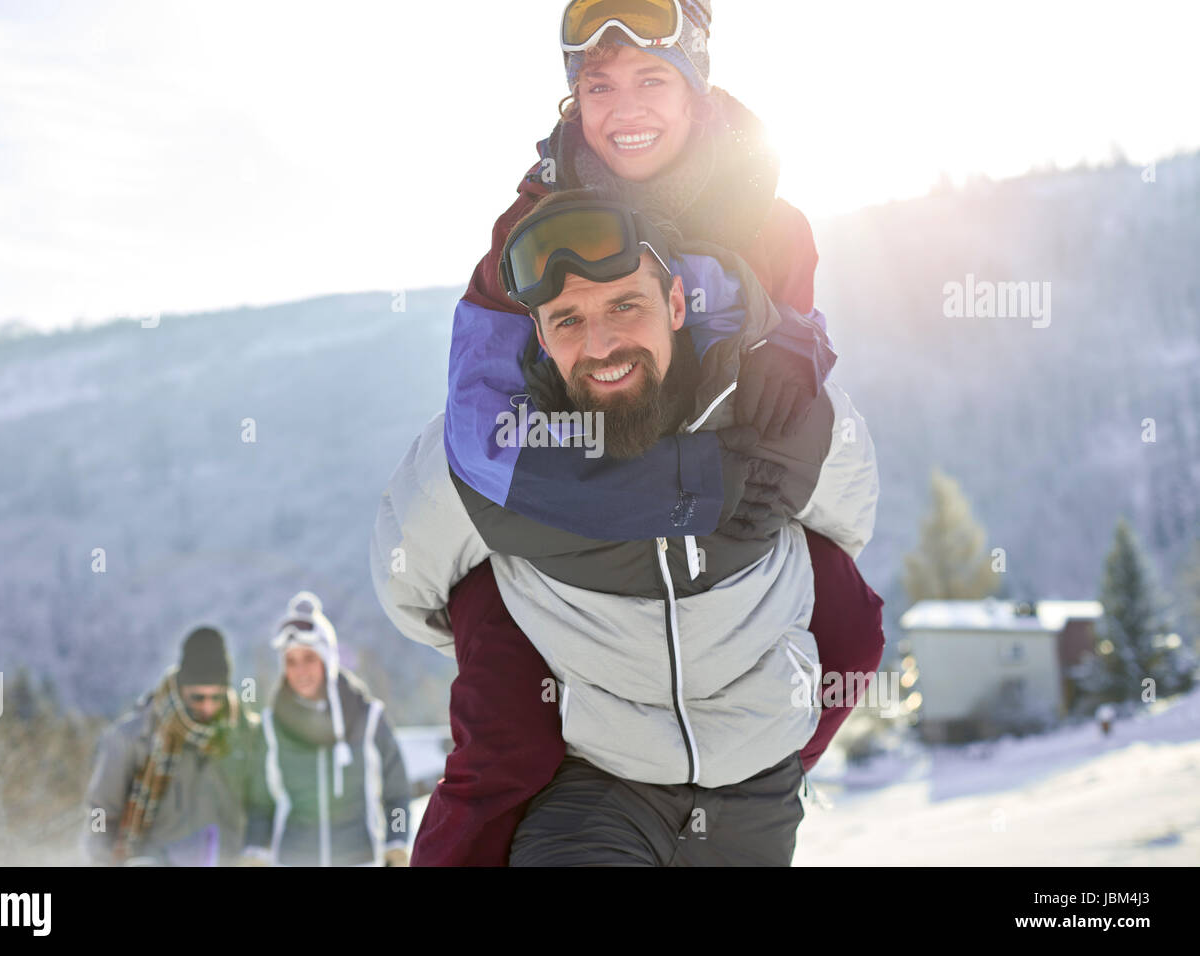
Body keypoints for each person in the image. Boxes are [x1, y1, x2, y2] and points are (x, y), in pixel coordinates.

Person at [417, 0, 885, 865]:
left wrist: (795, 359)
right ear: (573, 99)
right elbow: (483, 434)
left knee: (852, 627)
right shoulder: (525, 237)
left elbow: (803, 374)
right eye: (598, 85)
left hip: (727, 529)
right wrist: (684, 487)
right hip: (564, 529)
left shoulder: (771, 222)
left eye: (651, 79)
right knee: (503, 733)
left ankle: (751, 777)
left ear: (696, 86)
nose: (624, 109)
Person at [242, 592, 412, 866]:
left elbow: (397, 793)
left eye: (309, 658)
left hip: (360, 860)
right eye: (291, 661)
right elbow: (261, 805)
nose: (300, 671)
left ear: (327, 659)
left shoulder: (368, 718)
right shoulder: (272, 727)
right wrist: (254, 850)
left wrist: (397, 842)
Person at [83, 626, 261, 866]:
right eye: (197, 697)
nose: (207, 707)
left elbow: (265, 808)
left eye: (216, 697)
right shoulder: (131, 739)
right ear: (181, 687)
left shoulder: (249, 736)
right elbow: (100, 811)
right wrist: (104, 858)